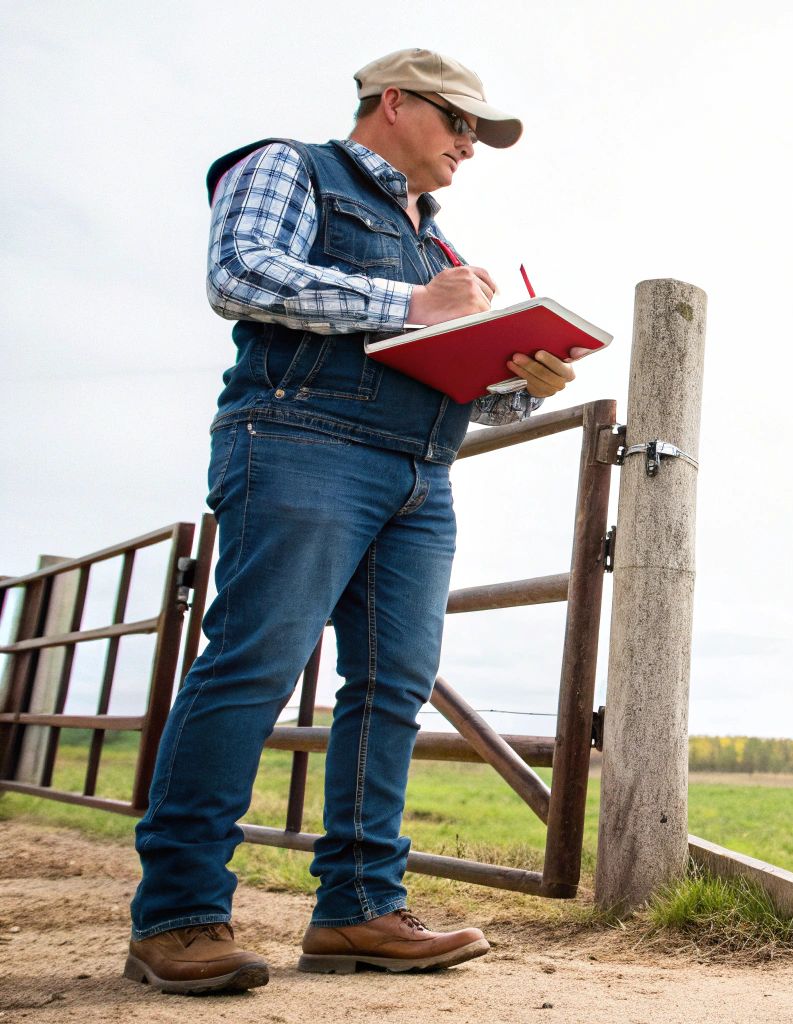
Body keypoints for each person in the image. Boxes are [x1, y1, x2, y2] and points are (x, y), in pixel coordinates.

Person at [125, 49, 582, 995]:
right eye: (459, 122)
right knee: (253, 663)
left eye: (478, 133)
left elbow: (444, 379)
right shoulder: (290, 167)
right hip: (299, 442)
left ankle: (358, 910)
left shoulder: (441, 248)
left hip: (420, 476)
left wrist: (518, 381)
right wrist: (409, 302)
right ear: (395, 101)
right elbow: (241, 277)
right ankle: (177, 914)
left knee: (390, 688)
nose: (469, 144)